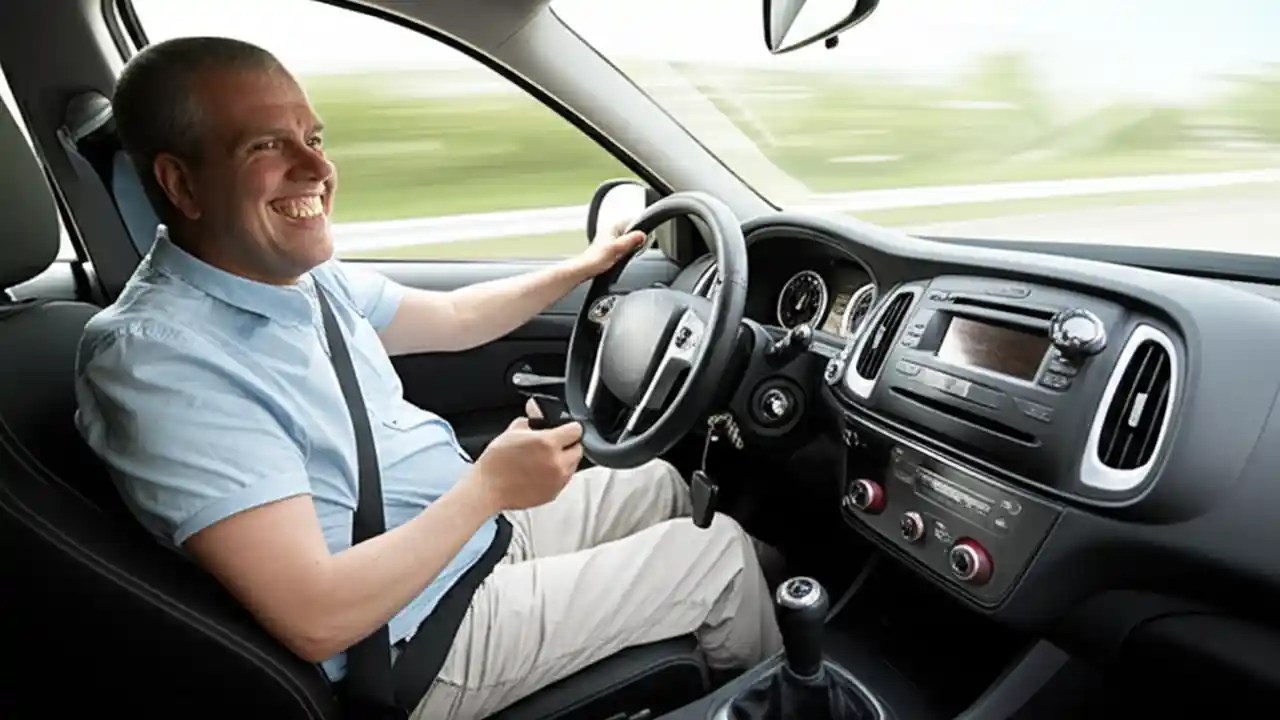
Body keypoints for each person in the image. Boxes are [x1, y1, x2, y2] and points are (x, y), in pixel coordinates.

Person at [73, 36, 782, 719]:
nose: (316, 170)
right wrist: (487, 489)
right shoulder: (156, 360)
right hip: (415, 639)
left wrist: (586, 266)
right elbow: (316, 617)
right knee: (711, 558)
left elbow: (452, 317)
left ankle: (787, 624)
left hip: (460, 544)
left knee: (658, 484)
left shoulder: (298, 277)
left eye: (313, 140)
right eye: (265, 146)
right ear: (179, 182)